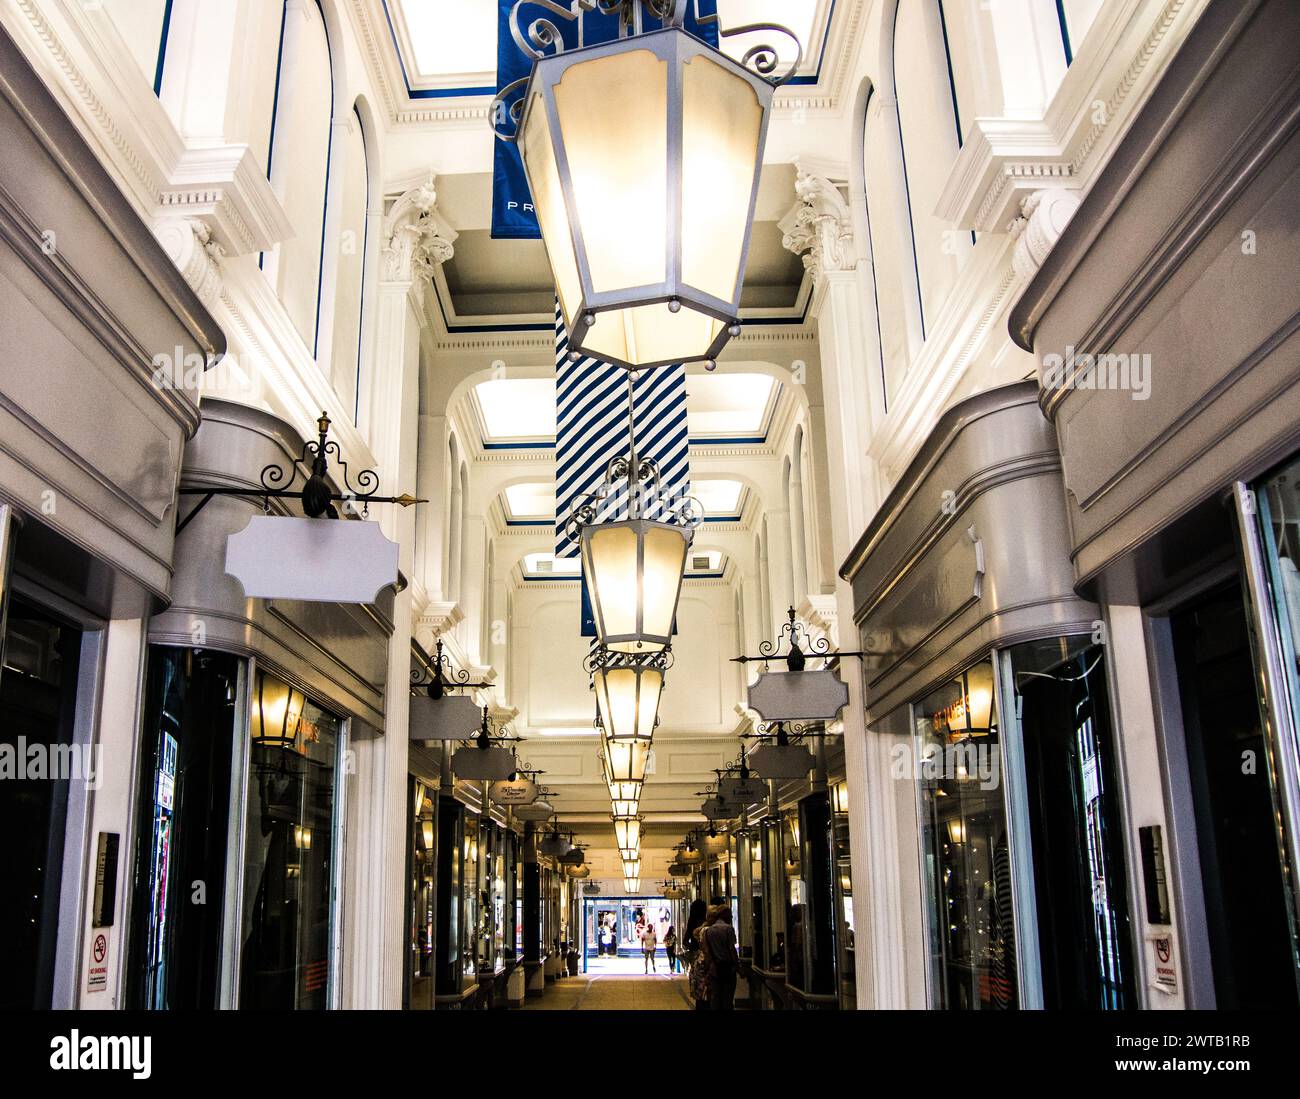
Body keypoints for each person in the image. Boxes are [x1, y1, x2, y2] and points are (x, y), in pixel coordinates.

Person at [702, 903, 739, 1010]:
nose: (731, 917)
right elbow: (732, 950)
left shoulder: (708, 931)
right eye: (730, 914)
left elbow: (707, 953)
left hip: (715, 969)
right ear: (724, 915)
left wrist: (707, 970)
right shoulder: (728, 929)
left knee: (716, 998)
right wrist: (738, 967)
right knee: (728, 998)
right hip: (728, 969)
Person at [686, 904, 718, 1009]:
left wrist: (693, 950)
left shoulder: (697, 926)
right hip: (705, 964)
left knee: (700, 993)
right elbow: (707, 952)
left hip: (698, 962)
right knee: (708, 991)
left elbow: (686, 940)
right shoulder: (708, 929)